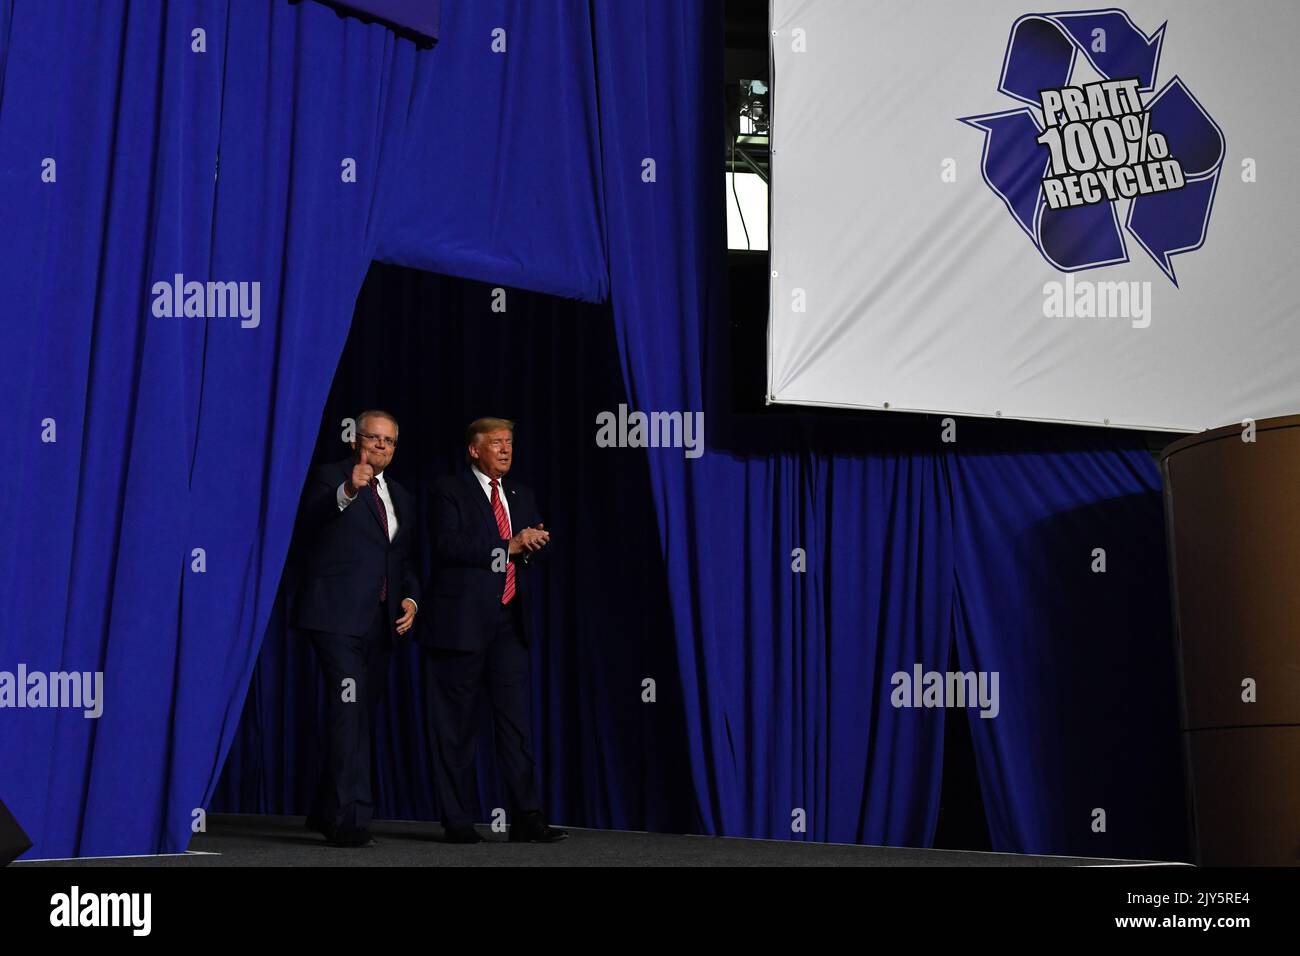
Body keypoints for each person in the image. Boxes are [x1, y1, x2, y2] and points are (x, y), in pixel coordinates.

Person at [417, 417, 566, 843]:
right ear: (474, 450)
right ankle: (459, 821)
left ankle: (527, 818)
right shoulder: (447, 490)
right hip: (459, 626)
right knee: (455, 729)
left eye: (510, 443)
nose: (505, 450)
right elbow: (447, 545)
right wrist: (508, 547)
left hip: (509, 625)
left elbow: (539, 542)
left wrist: (535, 543)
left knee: (516, 727)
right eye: (496, 443)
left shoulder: (521, 494)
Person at [290, 410, 419, 847]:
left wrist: (411, 598)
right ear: (355, 440)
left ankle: (327, 809)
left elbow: (402, 559)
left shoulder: (399, 493)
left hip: (379, 624)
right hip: (333, 618)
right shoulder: (331, 478)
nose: (381, 446)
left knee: (360, 716)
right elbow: (307, 521)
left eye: (389, 441)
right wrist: (347, 490)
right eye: (373, 438)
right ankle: (350, 818)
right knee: (349, 711)